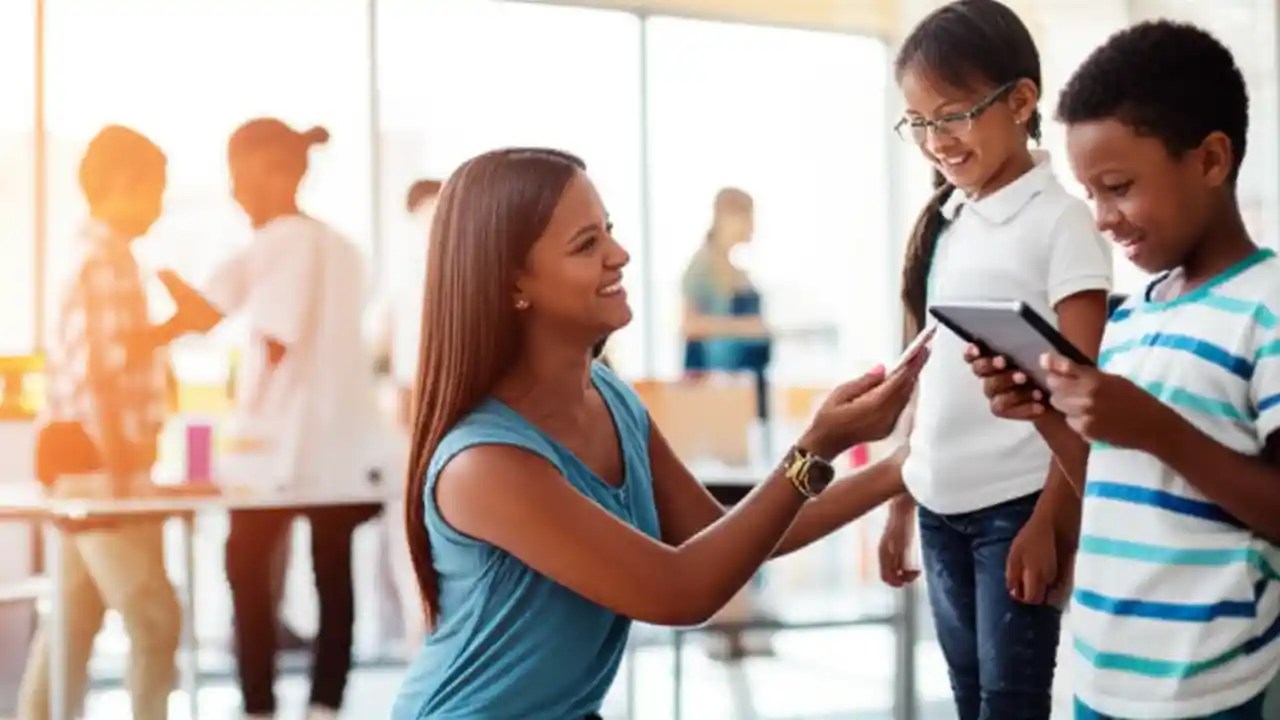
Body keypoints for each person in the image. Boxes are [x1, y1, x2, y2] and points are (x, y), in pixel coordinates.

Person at [391, 147, 927, 719]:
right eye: (586, 245)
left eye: (609, 232)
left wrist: (902, 469)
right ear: (513, 283)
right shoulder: (486, 463)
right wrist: (816, 447)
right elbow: (680, 590)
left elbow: (723, 536)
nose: (619, 255)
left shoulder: (612, 400)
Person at [972, 20, 1280, 719]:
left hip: (1206, 686)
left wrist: (1156, 429)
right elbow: (1116, 482)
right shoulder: (1134, 316)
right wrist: (1047, 414)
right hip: (1102, 676)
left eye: (1118, 188)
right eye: (1091, 194)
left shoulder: (1266, 306)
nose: (1104, 219)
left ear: (1209, 161)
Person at [875, 2, 1113, 718]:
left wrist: (1052, 520)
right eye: (917, 123)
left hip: (1016, 508)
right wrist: (898, 498)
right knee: (968, 698)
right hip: (940, 506)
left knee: (1010, 703)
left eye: (950, 115)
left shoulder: (1063, 223)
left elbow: (1085, 397)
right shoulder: (949, 221)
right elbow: (924, 379)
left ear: (1020, 101)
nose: (933, 141)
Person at [162, 119, 383, 720]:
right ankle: (326, 702)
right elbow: (211, 309)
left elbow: (268, 337)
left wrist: (174, 323)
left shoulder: (280, 240)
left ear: (283, 174)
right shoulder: (341, 246)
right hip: (343, 444)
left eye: (243, 178)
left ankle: (257, 702)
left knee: (246, 568)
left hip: (280, 447)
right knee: (332, 576)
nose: (236, 193)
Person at [18, 125, 180, 720]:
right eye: (155, 190)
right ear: (121, 185)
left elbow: (118, 353)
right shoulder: (105, 258)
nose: (160, 207)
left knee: (74, 619)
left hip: (82, 463)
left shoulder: (95, 254)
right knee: (155, 618)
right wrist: (120, 478)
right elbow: (101, 378)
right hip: (99, 467)